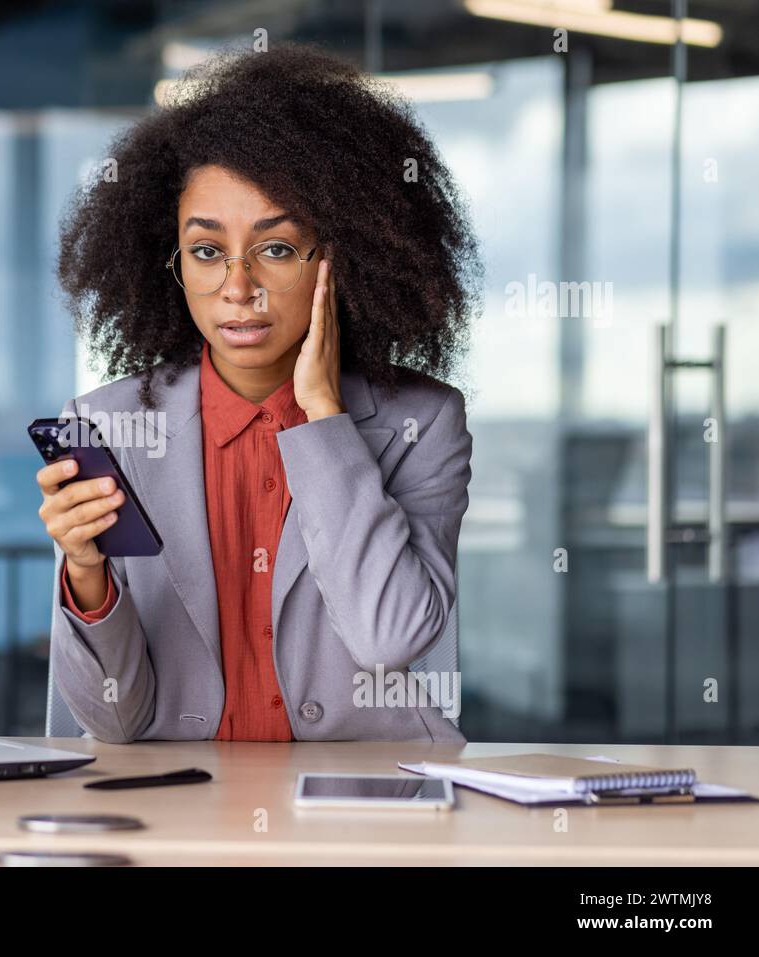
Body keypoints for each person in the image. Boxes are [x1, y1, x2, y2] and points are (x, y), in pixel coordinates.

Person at [36, 43, 480, 744]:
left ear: (343, 256)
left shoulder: (421, 423)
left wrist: (324, 417)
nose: (237, 287)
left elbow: (389, 635)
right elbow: (114, 720)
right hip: (181, 810)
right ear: (173, 262)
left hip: (363, 814)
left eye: (275, 248)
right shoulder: (108, 427)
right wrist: (86, 573)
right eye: (207, 251)